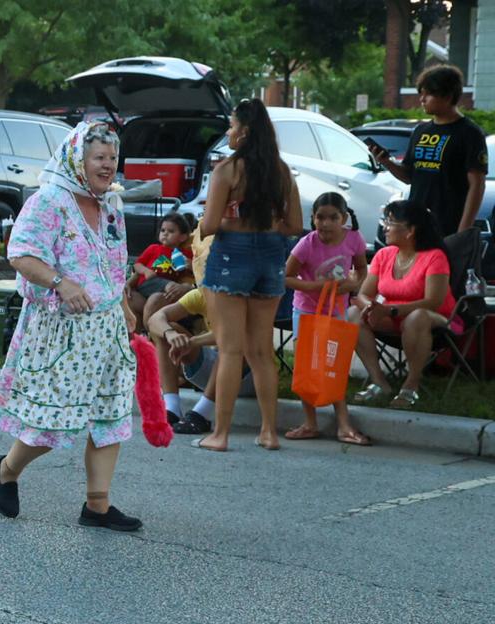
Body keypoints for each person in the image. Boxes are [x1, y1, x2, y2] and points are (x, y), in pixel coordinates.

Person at [0, 122, 141, 531]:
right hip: (63, 333)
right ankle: (6, 469)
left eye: (112, 158)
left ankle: (98, 506)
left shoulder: (110, 204)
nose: (108, 166)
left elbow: (113, 260)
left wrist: (123, 304)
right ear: (77, 159)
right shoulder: (48, 202)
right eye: (99, 158)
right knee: (50, 421)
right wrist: (61, 282)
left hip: (105, 329)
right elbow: (20, 254)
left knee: (111, 414)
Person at [195, 98, 301, 452]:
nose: (228, 131)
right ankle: (269, 432)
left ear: (244, 131)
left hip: (231, 256)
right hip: (271, 255)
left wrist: (230, 218)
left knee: (229, 350)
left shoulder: (227, 170)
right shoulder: (281, 171)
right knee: (260, 352)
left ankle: (220, 434)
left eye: (231, 125)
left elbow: (209, 226)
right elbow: (295, 225)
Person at [348, 199, 457, 409]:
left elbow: (433, 301)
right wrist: (370, 307)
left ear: (410, 230)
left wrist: (390, 309)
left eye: (390, 222)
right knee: (353, 313)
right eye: (384, 221)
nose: (384, 227)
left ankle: (411, 385)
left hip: (435, 319)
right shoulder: (384, 255)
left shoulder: (435, 257)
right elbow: (364, 294)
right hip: (393, 318)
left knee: (417, 317)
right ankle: (379, 382)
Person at [283, 192, 370, 444]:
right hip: (307, 311)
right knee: (307, 367)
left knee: (335, 365)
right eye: (320, 217)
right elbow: (286, 277)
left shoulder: (354, 239)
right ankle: (310, 422)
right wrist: (315, 287)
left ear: (343, 218)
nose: (326, 223)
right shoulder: (307, 244)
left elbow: (362, 268)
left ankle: (343, 424)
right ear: (313, 218)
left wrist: (352, 283)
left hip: (336, 311)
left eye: (333, 217)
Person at [366, 65, 487, 237]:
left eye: (428, 94)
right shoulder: (420, 131)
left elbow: (477, 184)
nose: (422, 99)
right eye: (420, 93)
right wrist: (386, 162)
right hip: (416, 225)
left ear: (447, 95)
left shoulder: (469, 133)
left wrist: (463, 230)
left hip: (449, 226)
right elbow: (409, 176)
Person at [147, 286, 255, 435]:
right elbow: (154, 320)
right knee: (165, 329)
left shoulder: (242, 294)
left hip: (248, 376)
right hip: (215, 369)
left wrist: (193, 342)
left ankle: (202, 413)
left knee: (235, 343)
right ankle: (171, 407)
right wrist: (170, 334)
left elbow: (235, 333)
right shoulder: (201, 293)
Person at [129, 211, 195, 328]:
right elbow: (137, 264)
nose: (165, 234)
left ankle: (148, 334)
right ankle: (142, 335)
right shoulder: (154, 248)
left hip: (161, 293)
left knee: (159, 296)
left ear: (183, 237)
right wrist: (145, 271)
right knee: (167, 285)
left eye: (171, 231)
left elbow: (196, 272)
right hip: (147, 283)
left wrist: (191, 265)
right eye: (163, 230)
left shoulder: (184, 254)